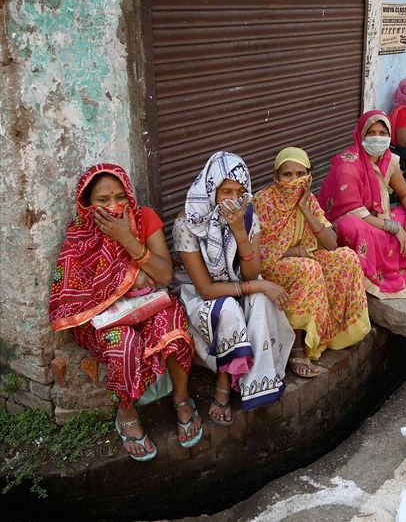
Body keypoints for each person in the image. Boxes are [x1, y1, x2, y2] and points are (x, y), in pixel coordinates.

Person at [49, 164, 201, 462]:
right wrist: (128, 280)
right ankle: (127, 414)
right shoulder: (80, 234)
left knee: (173, 324)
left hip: (148, 305)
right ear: (87, 203)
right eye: (102, 200)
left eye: (119, 197)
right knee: (122, 343)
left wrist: (127, 240)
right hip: (105, 317)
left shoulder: (144, 218)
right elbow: (76, 294)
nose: (112, 206)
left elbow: (165, 275)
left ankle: (181, 399)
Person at [173, 151, 295, 424]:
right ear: (210, 188)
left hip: (238, 284)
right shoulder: (187, 222)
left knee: (263, 301)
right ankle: (224, 380)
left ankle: (258, 384)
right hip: (200, 296)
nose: (232, 198)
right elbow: (205, 289)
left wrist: (239, 231)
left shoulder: (247, 215)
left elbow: (252, 269)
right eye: (225, 190)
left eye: (240, 191)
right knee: (228, 307)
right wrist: (260, 284)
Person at [252, 147, 370, 378]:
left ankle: (332, 332)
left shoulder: (308, 200)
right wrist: (293, 251)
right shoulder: (263, 201)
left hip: (303, 256)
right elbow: (260, 254)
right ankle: (297, 347)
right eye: (287, 174)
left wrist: (305, 210)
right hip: (272, 266)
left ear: (309, 176)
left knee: (346, 258)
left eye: (300, 173)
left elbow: (331, 244)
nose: (294, 180)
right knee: (309, 268)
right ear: (276, 177)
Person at [319, 110, 406, 299]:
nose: (378, 138)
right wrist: (395, 228)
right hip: (360, 222)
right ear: (361, 134)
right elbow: (356, 214)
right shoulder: (347, 165)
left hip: (381, 220)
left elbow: (405, 193)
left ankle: (396, 259)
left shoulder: (389, 161)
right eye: (371, 133)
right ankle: (377, 266)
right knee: (350, 226)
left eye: (383, 134)